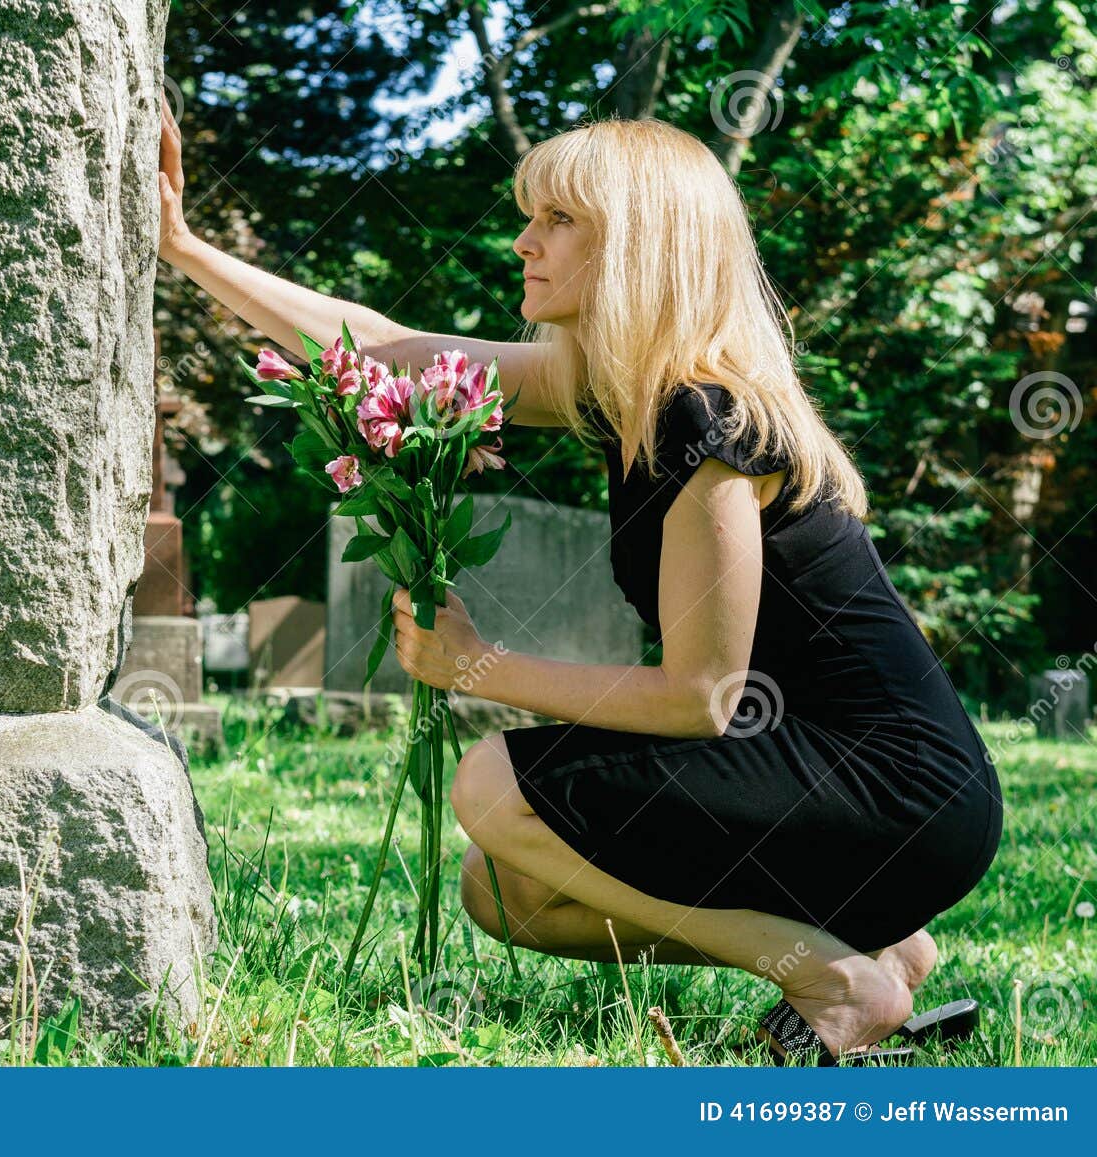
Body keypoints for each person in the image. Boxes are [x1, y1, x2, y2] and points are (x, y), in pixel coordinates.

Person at [157, 102, 1001, 1065]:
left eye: (559, 220)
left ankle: (832, 979)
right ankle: (875, 943)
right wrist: (180, 244)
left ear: (643, 244)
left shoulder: (705, 420)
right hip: (819, 775)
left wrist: (476, 667)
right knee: (507, 889)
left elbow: (701, 698)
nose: (523, 241)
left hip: (899, 795)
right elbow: (384, 350)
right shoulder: (617, 392)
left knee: (492, 783)